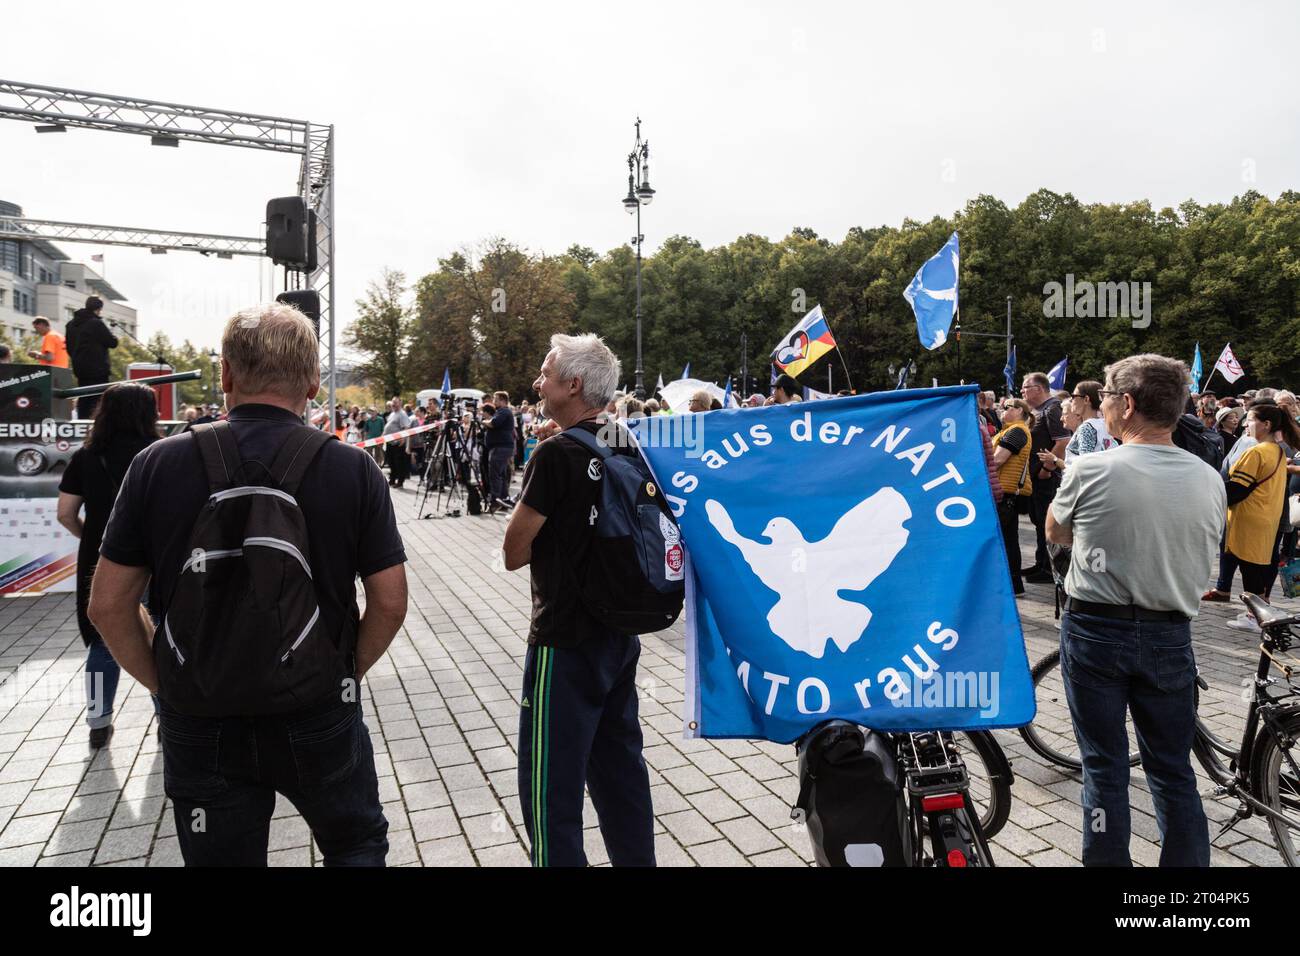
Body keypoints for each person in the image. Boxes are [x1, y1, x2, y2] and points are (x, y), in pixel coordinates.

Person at [89, 302, 408, 867]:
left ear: (225, 375)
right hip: (316, 707)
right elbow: (390, 600)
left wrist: (168, 682)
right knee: (355, 843)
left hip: (201, 718)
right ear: (314, 382)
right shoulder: (351, 469)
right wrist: (343, 670)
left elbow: (109, 605)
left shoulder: (156, 464)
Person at [1046, 354, 1224, 867]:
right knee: (1173, 771)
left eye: (1103, 395)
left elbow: (1056, 532)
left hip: (1097, 629)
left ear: (1126, 405)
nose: (1100, 405)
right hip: (1171, 633)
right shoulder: (1208, 477)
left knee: (1104, 768)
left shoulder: (1091, 467)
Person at [502, 332, 655, 867]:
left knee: (550, 790)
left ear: (572, 384)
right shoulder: (627, 441)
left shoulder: (555, 454)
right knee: (621, 773)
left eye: (545, 374)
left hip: (563, 639)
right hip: (619, 634)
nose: (536, 383)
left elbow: (513, 551)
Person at [57, 383, 159, 749]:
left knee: (103, 642)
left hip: (103, 560)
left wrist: (93, 537)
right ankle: (167, 717)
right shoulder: (159, 453)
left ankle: (98, 722)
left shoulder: (86, 456)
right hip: (156, 558)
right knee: (161, 636)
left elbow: (65, 513)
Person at [1220, 403, 1300, 629]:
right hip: (1266, 517)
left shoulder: (1256, 451)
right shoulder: (1276, 449)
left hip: (1250, 517)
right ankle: (1259, 611)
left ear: (1266, 425)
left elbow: (1237, 489)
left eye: (1251, 420)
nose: (1245, 423)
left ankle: (1254, 616)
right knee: (1257, 567)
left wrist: (1210, 488)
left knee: (1250, 569)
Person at [1022, 371, 1070, 584]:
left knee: (1045, 520)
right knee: (1037, 520)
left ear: (1039, 388)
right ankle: (1041, 562)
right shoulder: (1038, 410)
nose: (1022, 391)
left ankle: (1050, 568)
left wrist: (1047, 469)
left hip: (1046, 477)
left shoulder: (1052, 408)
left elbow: (1062, 442)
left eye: (1026, 387)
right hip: (1036, 476)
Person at [990, 398, 1034, 596]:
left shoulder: (1016, 431)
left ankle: (1011, 584)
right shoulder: (1012, 430)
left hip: (1006, 491)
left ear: (1019, 411)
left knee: (1006, 539)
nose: (1002, 410)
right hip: (1006, 490)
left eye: (1007, 407)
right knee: (1008, 538)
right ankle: (1013, 585)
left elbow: (998, 459)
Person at [1037, 380, 1114, 472]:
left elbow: (1084, 466)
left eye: (1073, 396)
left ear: (1086, 399)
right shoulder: (1106, 425)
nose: (1071, 399)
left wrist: (1055, 460)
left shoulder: (1087, 427)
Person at [65, 296, 119, 419]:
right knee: (98, 400)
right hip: (98, 369)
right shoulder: (96, 323)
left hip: (80, 369)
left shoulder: (70, 325)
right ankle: (97, 428)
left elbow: (69, 347)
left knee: (84, 399)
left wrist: (77, 359)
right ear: (98, 309)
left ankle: (82, 425)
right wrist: (113, 334)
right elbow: (112, 342)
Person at [483, 389, 517, 513]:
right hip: (502, 447)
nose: (493, 401)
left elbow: (494, 423)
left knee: (495, 475)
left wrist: (484, 422)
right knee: (501, 475)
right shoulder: (502, 411)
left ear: (502, 400)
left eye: (495, 399)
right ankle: (504, 500)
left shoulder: (503, 411)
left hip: (500, 448)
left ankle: (495, 501)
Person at [383, 397, 412, 487]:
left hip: (398, 443)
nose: (393, 404)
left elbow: (406, 428)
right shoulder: (392, 414)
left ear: (400, 403)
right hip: (390, 442)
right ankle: (392, 480)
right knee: (391, 462)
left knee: (399, 463)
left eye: (395, 402)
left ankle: (400, 482)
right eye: (393, 402)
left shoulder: (402, 414)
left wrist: (403, 439)